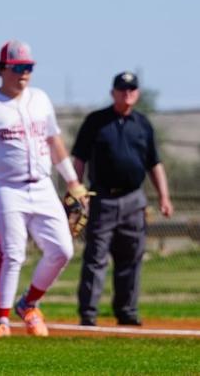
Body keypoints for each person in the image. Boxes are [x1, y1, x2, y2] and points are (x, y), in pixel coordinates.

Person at [0, 40, 90, 338]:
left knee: (62, 249)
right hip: (3, 187)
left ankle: (28, 303)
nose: (24, 73)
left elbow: (54, 142)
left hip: (42, 185)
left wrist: (73, 182)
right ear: (2, 69)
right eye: (17, 68)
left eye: (28, 67)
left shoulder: (40, 99)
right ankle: (1, 320)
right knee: (12, 253)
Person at [72, 71, 173, 327]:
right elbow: (80, 158)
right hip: (103, 199)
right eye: (122, 89)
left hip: (134, 200)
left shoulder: (142, 124)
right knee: (96, 258)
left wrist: (164, 196)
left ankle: (127, 311)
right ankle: (89, 313)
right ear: (113, 92)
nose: (127, 93)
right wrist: (77, 190)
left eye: (131, 90)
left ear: (137, 94)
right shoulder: (96, 121)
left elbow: (154, 163)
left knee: (131, 257)